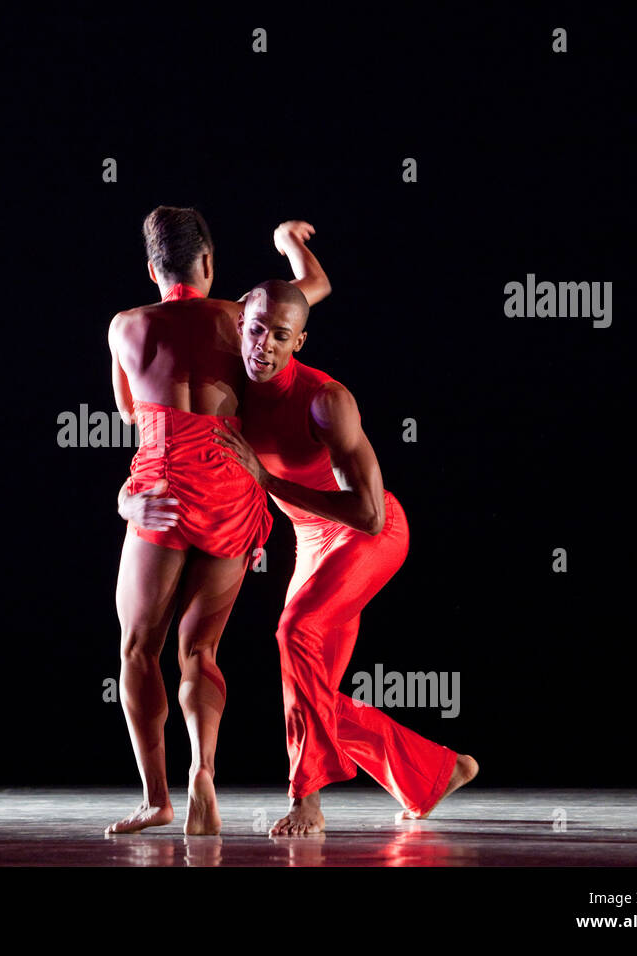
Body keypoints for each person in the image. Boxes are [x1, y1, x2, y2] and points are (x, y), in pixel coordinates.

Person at [208, 279, 479, 833]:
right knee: (312, 694)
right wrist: (289, 245)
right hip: (312, 539)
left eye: (280, 336)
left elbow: (370, 515)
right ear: (240, 325)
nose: (264, 345)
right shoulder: (230, 374)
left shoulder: (327, 400)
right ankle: (434, 771)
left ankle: (306, 796)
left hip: (367, 534)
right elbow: (312, 285)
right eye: (256, 330)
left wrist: (266, 481)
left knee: (294, 632)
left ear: (299, 342)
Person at [106, 209, 327, 835]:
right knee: (200, 650)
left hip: (161, 491)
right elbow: (314, 287)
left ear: (153, 269)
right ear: (207, 263)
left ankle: (158, 798)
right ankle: (204, 773)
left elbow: (129, 412)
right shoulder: (244, 315)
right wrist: (288, 243)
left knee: (137, 648)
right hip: (230, 488)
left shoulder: (126, 326)